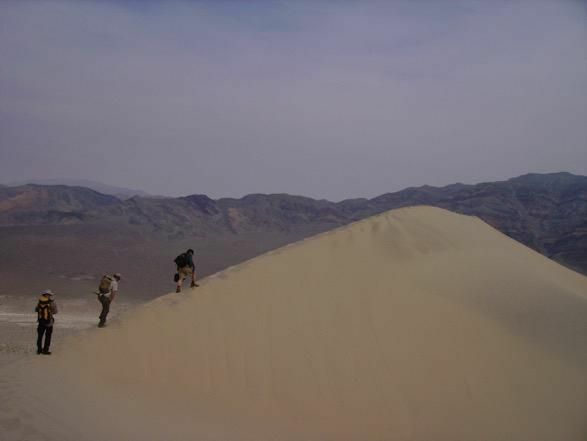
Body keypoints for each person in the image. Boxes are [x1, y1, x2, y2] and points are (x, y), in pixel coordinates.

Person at [35, 289, 58, 355]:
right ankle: (45, 350)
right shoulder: (51, 302)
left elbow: (36, 309)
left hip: (41, 322)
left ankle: (39, 350)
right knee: (48, 337)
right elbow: (55, 311)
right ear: (49, 295)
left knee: (40, 337)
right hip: (49, 322)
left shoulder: (40, 302)